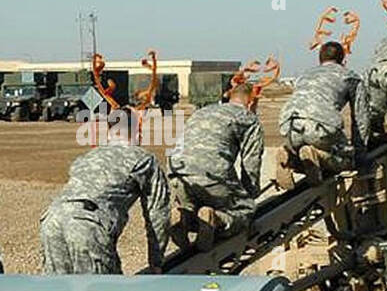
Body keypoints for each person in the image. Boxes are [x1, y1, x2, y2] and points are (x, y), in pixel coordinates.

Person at [39, 126, 171, 274]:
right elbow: (158, 213)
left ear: (109, 134)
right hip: (87, 226)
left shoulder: (89, 156)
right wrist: (156, 262)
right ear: (138, 134)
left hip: (51, 221)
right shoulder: (143, 158)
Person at [166, 82, 264, 250]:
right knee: (245, 211)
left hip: (176, 172)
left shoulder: (202, 112)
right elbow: (251, 162)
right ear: (251, 102)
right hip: (212, 174)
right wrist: (249, 194)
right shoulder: (248, 118)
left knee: (193, 207)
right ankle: (216, 218)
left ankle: (182, 217)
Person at [276, 40, 367, 187]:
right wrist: (361, 155)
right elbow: (360, 118)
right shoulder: (350, 76)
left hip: (289, 125)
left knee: (302, 152)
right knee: (346, 159)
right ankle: (318, 155)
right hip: (320, 125)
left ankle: (288, 158)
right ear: (343, 59)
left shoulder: (305, 75)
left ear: (320, 58)